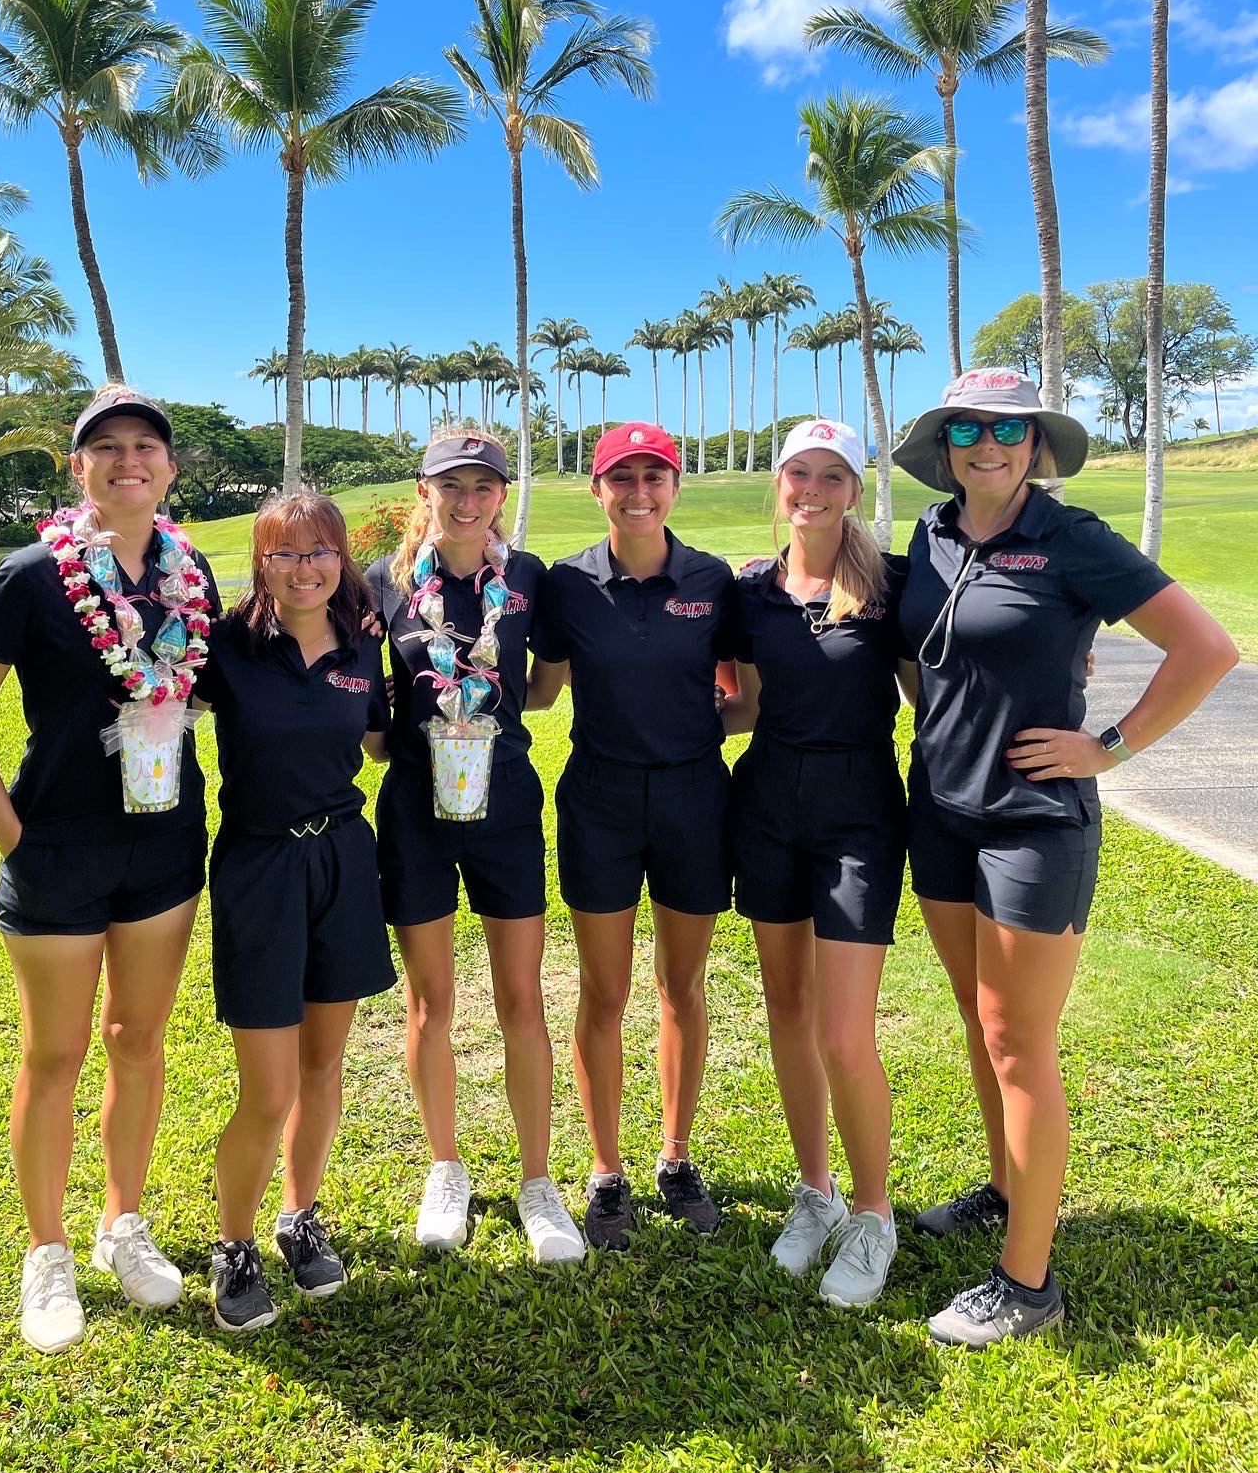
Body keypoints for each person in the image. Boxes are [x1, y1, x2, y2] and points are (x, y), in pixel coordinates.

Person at [894, 367, 1237, 1347]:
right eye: (968, 428)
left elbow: (1205, 647)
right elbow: (925, 652)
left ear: (1036, 446)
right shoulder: (931, 535)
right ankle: (1008, 1188)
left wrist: (1107, 747)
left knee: (1017, 1039)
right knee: (978, 1017)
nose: (987, 445)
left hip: (1034, 825)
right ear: (948, 445)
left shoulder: (1071, 539)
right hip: (943, 812)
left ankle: (1027, 1286)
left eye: (1009, 429)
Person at [0, 386, 217, 1353]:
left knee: (137, 1039)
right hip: (57, 852)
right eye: (107, 448)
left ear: (170, 468)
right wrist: (14, 839)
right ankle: (47, 1253)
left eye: (146, 446)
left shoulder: (192, 570)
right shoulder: (30, 576)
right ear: (79, 468)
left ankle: (120, 1225)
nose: (127, 460)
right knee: (53, 1057)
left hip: (167, 847)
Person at [365, 431, 584, 1264]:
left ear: (500, 495)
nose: (466, 501)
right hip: (415, 809)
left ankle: (537, 1181)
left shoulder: (528, 578)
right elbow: (374, 717)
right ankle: (445, 1166)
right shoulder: (383, 584)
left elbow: (546, 684)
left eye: (483, 486)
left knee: (520, 999)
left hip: (506, 805)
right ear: (423, 490)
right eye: (450, 485)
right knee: (431, 1003)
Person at [528, 423, 736, 1251]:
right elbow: (538, 691)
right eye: (623, 478)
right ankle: (607, 1170)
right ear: (598, 489)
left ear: (675, 488)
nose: (639, 493)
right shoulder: (567, 585)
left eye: (655, 477)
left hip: (694, 798)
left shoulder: (715, 582)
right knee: (604, 994)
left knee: (682, 986)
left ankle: (676, 1156)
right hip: (600, 801)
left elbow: (747, 694)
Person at [722, 419, 913, 1308]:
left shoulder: (892, 587)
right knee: (789, 1013)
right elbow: (743, 704)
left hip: (859, 818)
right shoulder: (749, 592)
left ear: (855, 488)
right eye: (799, 472)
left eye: (832, 475)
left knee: (844, 1033)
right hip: (766, 810)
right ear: (779, 483)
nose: (813, 489)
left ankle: (874, 1215)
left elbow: (942, 686)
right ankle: (817, 1193)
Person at [194, 492, 396, 1331]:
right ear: (261, 562)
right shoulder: (226, 645)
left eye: (321, 551)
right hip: (259, 863)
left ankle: (297, 1216)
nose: (305, 567)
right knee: (267, 1090)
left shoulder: (363, 644)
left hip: (344, 858)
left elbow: (386, 740)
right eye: (286, 553)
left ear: (342, 558)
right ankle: (232, 1245)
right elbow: (149, 702)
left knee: (323, 1068)